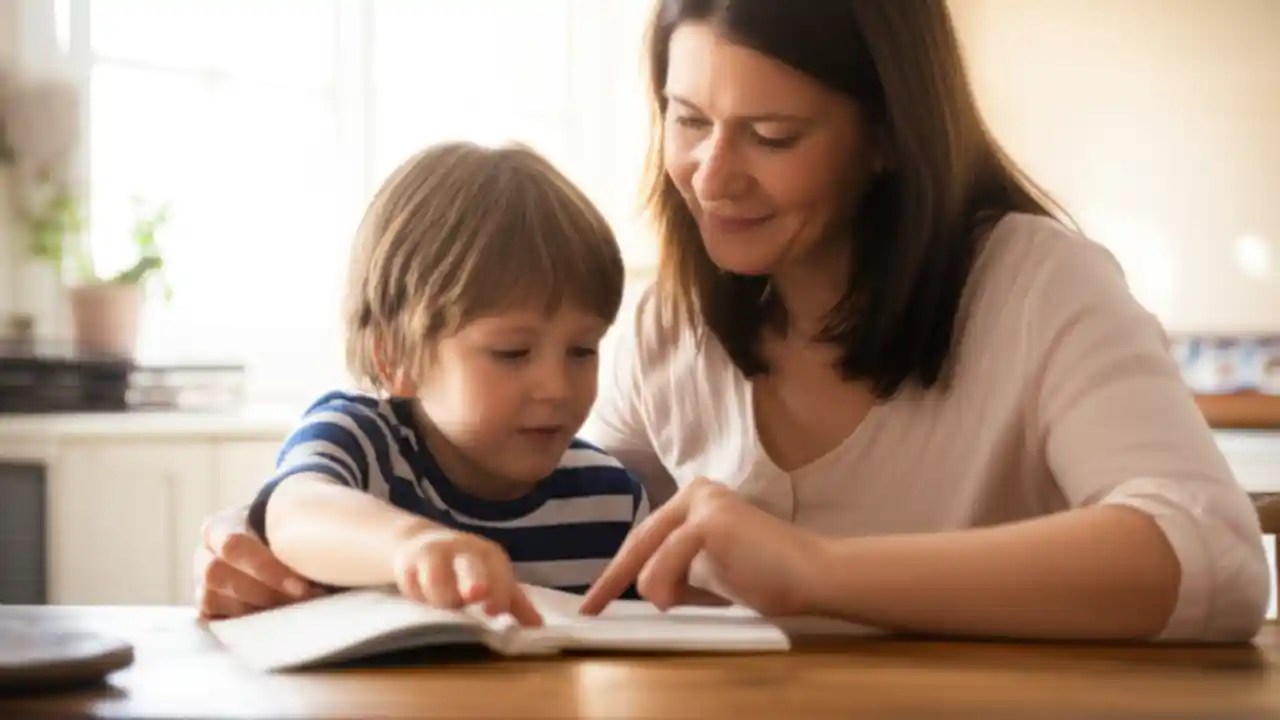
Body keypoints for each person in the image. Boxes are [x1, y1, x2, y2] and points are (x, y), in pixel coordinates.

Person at [195, 1, 1268, 641]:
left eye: (770, 133)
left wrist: (815, 572)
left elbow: (1214, 559)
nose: (712, 175)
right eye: (687, 119)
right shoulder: (662, 324)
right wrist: (306, 573)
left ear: (885, 137)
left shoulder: (1039, 287)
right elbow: (536, 520)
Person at [223, 141, 649, 626]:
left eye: (583, 350)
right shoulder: (361, 443)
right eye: (512, 353)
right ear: (396, 356)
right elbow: (293, 513)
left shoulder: (612, 503)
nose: (556, 387)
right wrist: (412, 544)